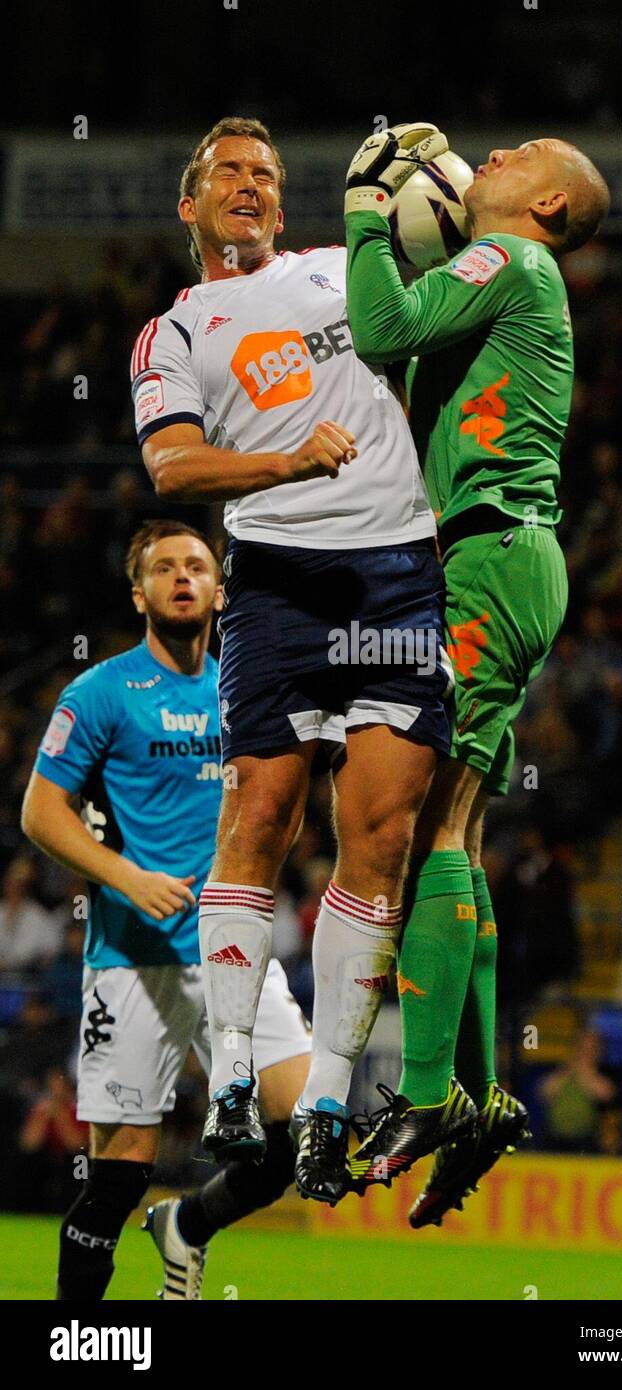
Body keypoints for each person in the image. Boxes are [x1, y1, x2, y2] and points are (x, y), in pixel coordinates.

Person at [133, 117, 454, 1204]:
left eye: (266, 173)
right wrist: (285, 458)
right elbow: (172, 468)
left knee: (383, 836)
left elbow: (445, 282)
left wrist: (440, 175)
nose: (251, 184)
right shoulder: (174, 333)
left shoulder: (337, 272)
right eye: (228, 170)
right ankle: (230, 1075)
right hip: (275, 583)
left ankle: (321, 1103)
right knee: (258, 816)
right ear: (191, 204)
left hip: (399, 575)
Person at [342, 125, 609, 1221]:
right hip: (508, 556)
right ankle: (486, 1096)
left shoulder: (518, 260)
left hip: (487, 556)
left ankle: (425, 1093)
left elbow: (377, 327)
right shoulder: (500, 277)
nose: (497, 150)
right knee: (461, 829)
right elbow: (404, 360)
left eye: (526, 151)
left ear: (547, 206)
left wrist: (365, 213)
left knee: (428, 835)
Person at [21, 520, 312, 1300]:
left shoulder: (242, 693)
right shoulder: (101, 691)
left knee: (315, 1136)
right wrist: (124, 877)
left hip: (232, 954)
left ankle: (189, 1225)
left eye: (197, 566)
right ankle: (78, 1345)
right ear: (139, 591)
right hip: (131, 961)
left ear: (220, 590)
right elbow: (41, 813)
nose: (183, 577)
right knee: (117, 1179)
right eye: (163, 568)